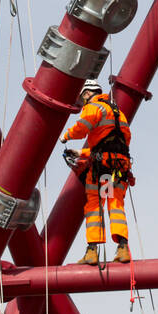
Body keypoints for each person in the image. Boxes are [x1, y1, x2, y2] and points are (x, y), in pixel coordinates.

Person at [60, 79, 133, 265]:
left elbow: (82, 128)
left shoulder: (94, 107)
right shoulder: (118, 113)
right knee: (115, 204)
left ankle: (92, 251)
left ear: (86, 93)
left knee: (94, 204)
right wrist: (82, 153)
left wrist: (66, 136)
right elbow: (114, 142)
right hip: (118, 166)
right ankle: (123, 248)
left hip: (102, 168)